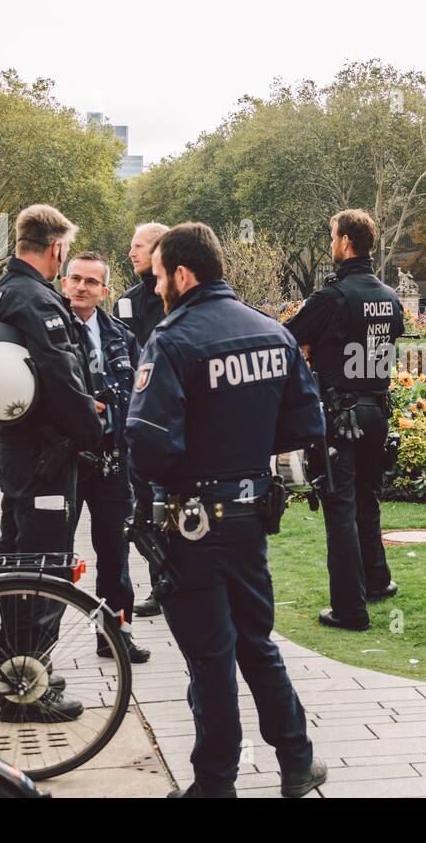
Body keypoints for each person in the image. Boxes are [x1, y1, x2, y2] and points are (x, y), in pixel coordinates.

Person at [125, 222, 328, 799]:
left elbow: (147, 443)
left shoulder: (171, 339)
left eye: (160, 275)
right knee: (256, 641)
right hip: (249, 516)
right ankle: (296, 761)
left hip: (192, 521)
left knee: (210, 658)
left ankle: (215, 784)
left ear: (183, 275)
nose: (157, 286)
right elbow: (305, 424)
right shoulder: (271, 332)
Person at [0, 204, 103, 724]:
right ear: (56, 249)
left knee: (16, 557)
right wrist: (96, 432)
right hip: (46, 453)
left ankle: (15, 665)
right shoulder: (36, 299)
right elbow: (60, 373)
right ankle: (29, 686)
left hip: (13, 444)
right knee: (45, 565)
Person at [286, 209, 404, 631]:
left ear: (346, 243)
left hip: (340, 413)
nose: (330, 244)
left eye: (332, 236)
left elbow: (287, 335)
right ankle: (377, 581)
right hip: (377, 409)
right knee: (367, 501)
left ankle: (349, 609)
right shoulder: (389, 296)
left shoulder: (332, 297)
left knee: (340, 508)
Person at [61, 251, 150, 664]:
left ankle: (116, 635)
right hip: (64, 460)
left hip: (113, 459)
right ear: (64, 282)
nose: (81, 287)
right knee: (56, 555)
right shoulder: (51, 331)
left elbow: (137, 391)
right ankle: (39, 647)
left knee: (115, 553)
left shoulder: (120, 333)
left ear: (104, 290)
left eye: (91, 282)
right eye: (75, 278)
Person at [113, 221, 170, 619]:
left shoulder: (179, 298)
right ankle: (160, 584)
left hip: (175, 415)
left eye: (139, 246)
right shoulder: (127, 302)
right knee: (146, 506)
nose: (131, 252)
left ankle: (181, 581)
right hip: (140, 415)